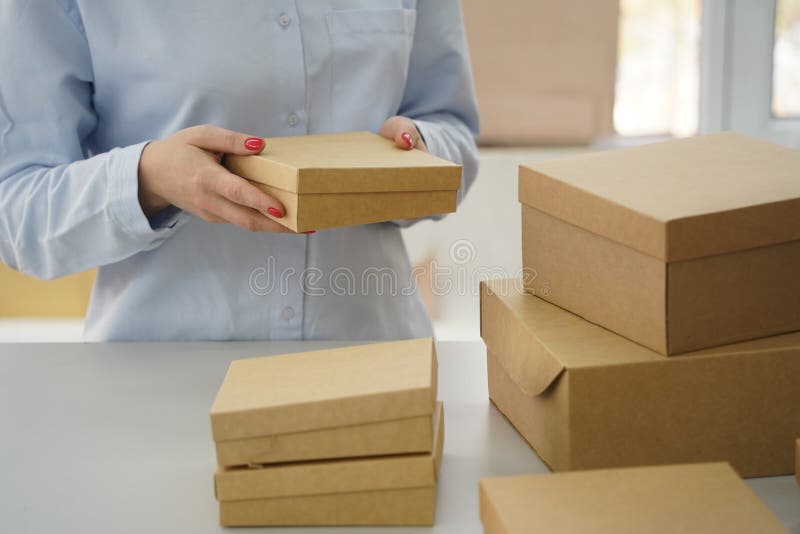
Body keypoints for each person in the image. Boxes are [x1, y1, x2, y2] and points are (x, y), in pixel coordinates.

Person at [0, 1, 479, 341]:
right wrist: (145, 180)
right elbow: (17, 211)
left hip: (373, 360)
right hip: (161, 386)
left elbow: (452, 131)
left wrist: (415, 159)